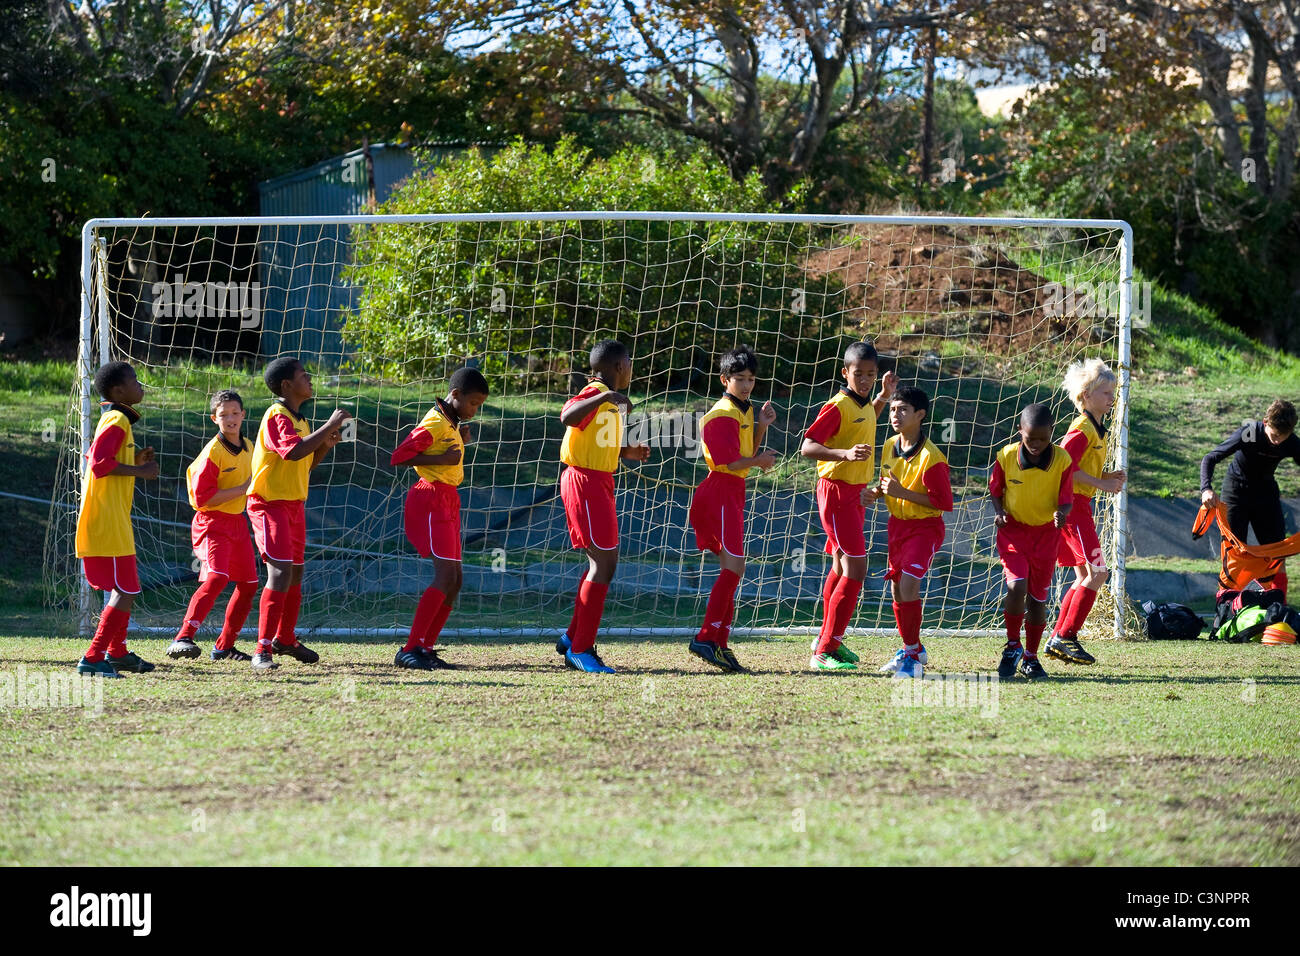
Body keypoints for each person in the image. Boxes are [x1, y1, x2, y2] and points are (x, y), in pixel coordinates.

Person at [246, 357, 352, 671]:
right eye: (304, 375)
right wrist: (331, 425)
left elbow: (303, 462)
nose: (310, 379)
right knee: (279, 573)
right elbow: (292, 450)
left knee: (295, 573)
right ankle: (262, 650)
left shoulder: (301, 421)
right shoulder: (277, 415)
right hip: (269, 505)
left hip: (293, 506)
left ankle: (285, 638)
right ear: (287, 385)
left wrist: (325, 445)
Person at [555, 340, 651, 673]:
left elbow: (599, 441)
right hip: (584, 482)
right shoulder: (595, 391)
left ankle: (572, 639)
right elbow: (567, 416)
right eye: (629, 362)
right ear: (618, 367)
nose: (630, 368)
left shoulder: (612, 402)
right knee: (603, 565)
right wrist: (603, 396)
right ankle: (581, 649)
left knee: (604, 563)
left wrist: (627, 452)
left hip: (598, 482)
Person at [800, 341, 897, 671]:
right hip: (837, 492)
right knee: (856, 567)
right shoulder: (838, 405)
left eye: (871, 374)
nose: (866, 379)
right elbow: (808, 446)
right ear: (845, 373)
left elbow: (867, 418)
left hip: (854, 493)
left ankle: (826, 639)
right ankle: (825, 649)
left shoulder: (864, 402)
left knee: (842, 566)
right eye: (859, 374)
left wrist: (883, 395)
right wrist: (844, 454)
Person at [390, 367, 490, 670]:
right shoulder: (434, 421)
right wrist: (443, 458)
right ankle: (409, 649)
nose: (475, 410)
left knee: (456, 580)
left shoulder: (450, 421)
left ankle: (425, 648)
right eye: (473, 403)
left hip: (447, 499)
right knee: (445, 576)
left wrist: (459, 441)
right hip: (431, 499)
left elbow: (445, 452)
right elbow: (400, 456)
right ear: (456, 395)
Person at [688, 345, 779, 673]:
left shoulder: (745, 409)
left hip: (732, 492)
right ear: (724, 379)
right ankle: (706, 637)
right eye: (739, 378)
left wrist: (762, 426)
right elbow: (728, 463)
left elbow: (745, 452)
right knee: (734, 568)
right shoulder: (720, 415)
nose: (746, 384)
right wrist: (759, 461)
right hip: (718, 494)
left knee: (734, 570)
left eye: (751, 379)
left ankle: (719, 643)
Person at [74, 361, 160, 677]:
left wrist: (133, 460)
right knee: (124, 590)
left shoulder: (117, 420)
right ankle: (93, 657)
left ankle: (118, 652)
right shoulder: (115, 420)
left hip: (114, 522)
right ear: (118, 391)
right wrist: (141, 471)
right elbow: (98, 464)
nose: (141, 385)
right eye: (135, 380)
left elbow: (102, 461)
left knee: (128, 588)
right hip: (105, 522)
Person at [167, 390, 261, 662]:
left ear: (243, 415)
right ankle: (183, 637)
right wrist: (243, 488)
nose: (230, 419)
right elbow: (202, 498)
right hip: (212, 523)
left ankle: (224, 647)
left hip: (237, 523)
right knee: (218, 577)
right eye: (223, 415)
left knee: (249, 583)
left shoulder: (249, 446)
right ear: (214, 418)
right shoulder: (213, 451)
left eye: (235, 413)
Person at [1045, 360, 1126, 665]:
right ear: (1086, 395)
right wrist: (1100, 484)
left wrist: (1106, 478)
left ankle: (1059, 637)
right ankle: (1065, 637)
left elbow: (1081, 471)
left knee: (1084, 576)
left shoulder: (1096, 428)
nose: (1111, 398)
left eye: (1112, 392)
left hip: (1078, 506)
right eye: (1106, 392)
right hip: (1072, 507)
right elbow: (1066, 467)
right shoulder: (1081, 428)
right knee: (1098, 573)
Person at [870, 386, 952, 679]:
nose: (895, 415)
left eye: (903, 409)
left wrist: (902, 492)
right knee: (895, 587)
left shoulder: (932, 457)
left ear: (920, 415)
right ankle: (912, 647)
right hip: (897, 526)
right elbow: (887, 482)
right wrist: (877, 493)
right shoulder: (889, 444)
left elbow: (944, 502)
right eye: (892, 409)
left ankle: (912, 656)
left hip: (925, 528)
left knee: (908, 585)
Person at [989, 403, 1074, 680]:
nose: (1036, 444)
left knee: (1038, 599)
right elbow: (995, 491)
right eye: (1029, 438)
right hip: (1013, 533)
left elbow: (1067, 498)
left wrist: (1062, 513)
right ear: (1019, 432)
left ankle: (1031, 657)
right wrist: (999, 512)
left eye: (1042, 438)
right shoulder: (1005, 456)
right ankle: (1013, 646)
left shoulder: (1062, 460)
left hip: (1046, 536)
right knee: (1016, 586)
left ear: (1052, 431)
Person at [1200, 399, 1300, 599]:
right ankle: (1227, 610)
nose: (1278, 441)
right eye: (1274, 435)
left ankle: (1278, 609)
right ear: (1265, 422)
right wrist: (1206, 489)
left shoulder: (1291, 441)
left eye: (1283, 437)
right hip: (1236, 491)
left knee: (1276, 552)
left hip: (1265, 493)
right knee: (1235, 554)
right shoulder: (1250, 432)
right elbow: (1210, 458)